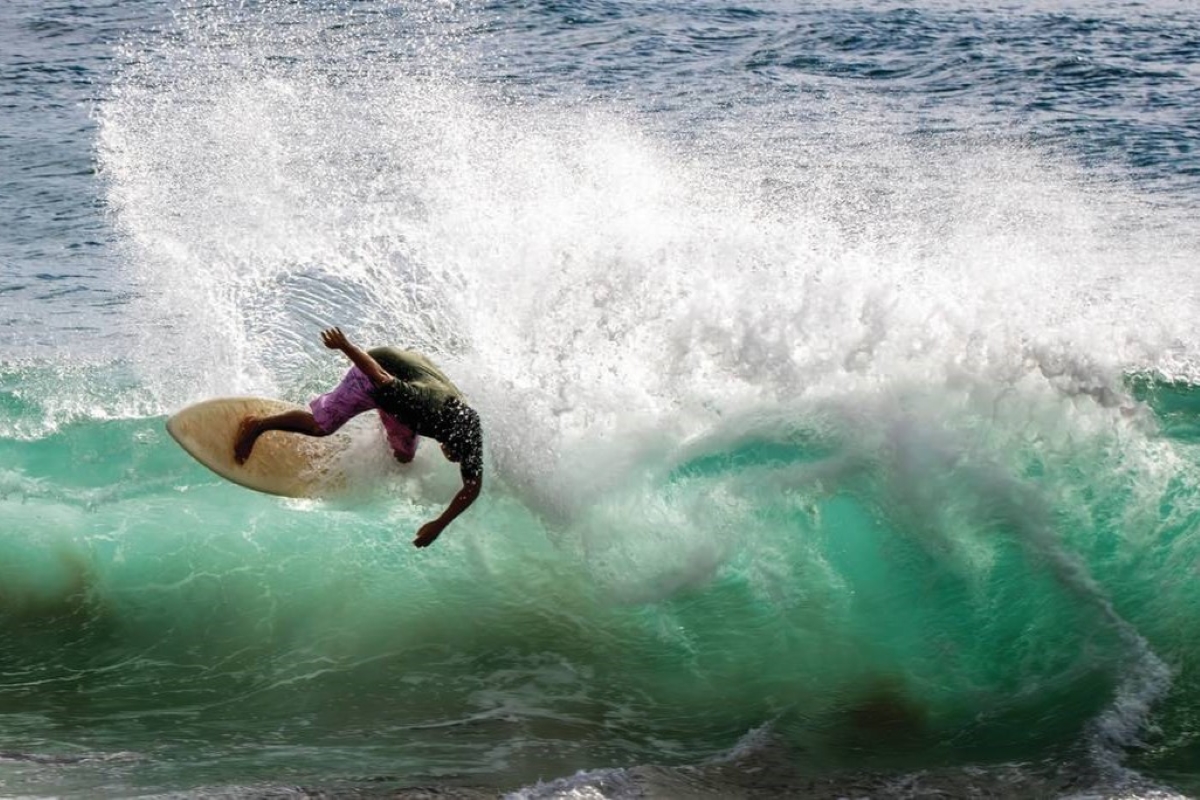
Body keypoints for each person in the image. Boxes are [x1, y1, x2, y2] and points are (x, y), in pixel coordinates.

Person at [233, 327, 483, 548]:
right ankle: (257, 426)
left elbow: (472, 487)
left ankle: (368, 426)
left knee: (404, 456)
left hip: (410, 377)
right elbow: (379, 377)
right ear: (446, 443)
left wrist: (439, 524)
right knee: (321, 427)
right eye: (452, 455)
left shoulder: (469, 425)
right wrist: (345, 346)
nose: (452, 458)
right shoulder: (420, 407)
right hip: (375, 371)